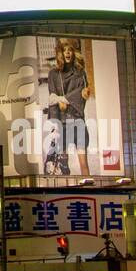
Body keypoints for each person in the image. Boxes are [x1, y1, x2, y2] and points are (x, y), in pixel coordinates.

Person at [46, 38, 91, 176]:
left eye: (70, 50)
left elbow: (81, 95)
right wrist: (54, 125)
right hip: (62, 123)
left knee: (84, 164)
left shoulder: (80, 72)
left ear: (73, 53)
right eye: (64, 51)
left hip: (77, 120)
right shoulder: (53, 74)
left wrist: (61, 99)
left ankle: (90, 188)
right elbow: (52, 101)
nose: (67, 53)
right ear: (60, 54)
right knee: (63, 164)